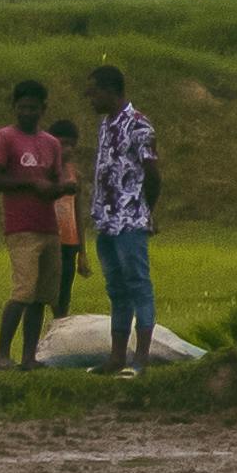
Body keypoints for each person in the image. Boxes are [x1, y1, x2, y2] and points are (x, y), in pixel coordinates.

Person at [0, 77, 77, 369]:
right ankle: (2, 355)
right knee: (23, 292)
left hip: (49, 226)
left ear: (43, 109)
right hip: (21, 227)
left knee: (42, 295)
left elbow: (57, 177)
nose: (28, 113)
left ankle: (29, 357)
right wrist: (30, 184)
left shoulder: (50, 143)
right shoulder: (5, 138)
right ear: (14, 107)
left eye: (33, 108)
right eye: (23, 107)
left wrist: (64, 187)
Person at [83, 62, 161, 373]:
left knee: (138, 284)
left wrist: (146, 210)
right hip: (106, 220)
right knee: (116, 288)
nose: (90, 100)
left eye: (94, 93)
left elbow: (153, 174)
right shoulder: (106, 124)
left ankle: (140, 358)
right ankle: (117, 357)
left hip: (130, 220)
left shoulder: (139, 126)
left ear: (109, 91)